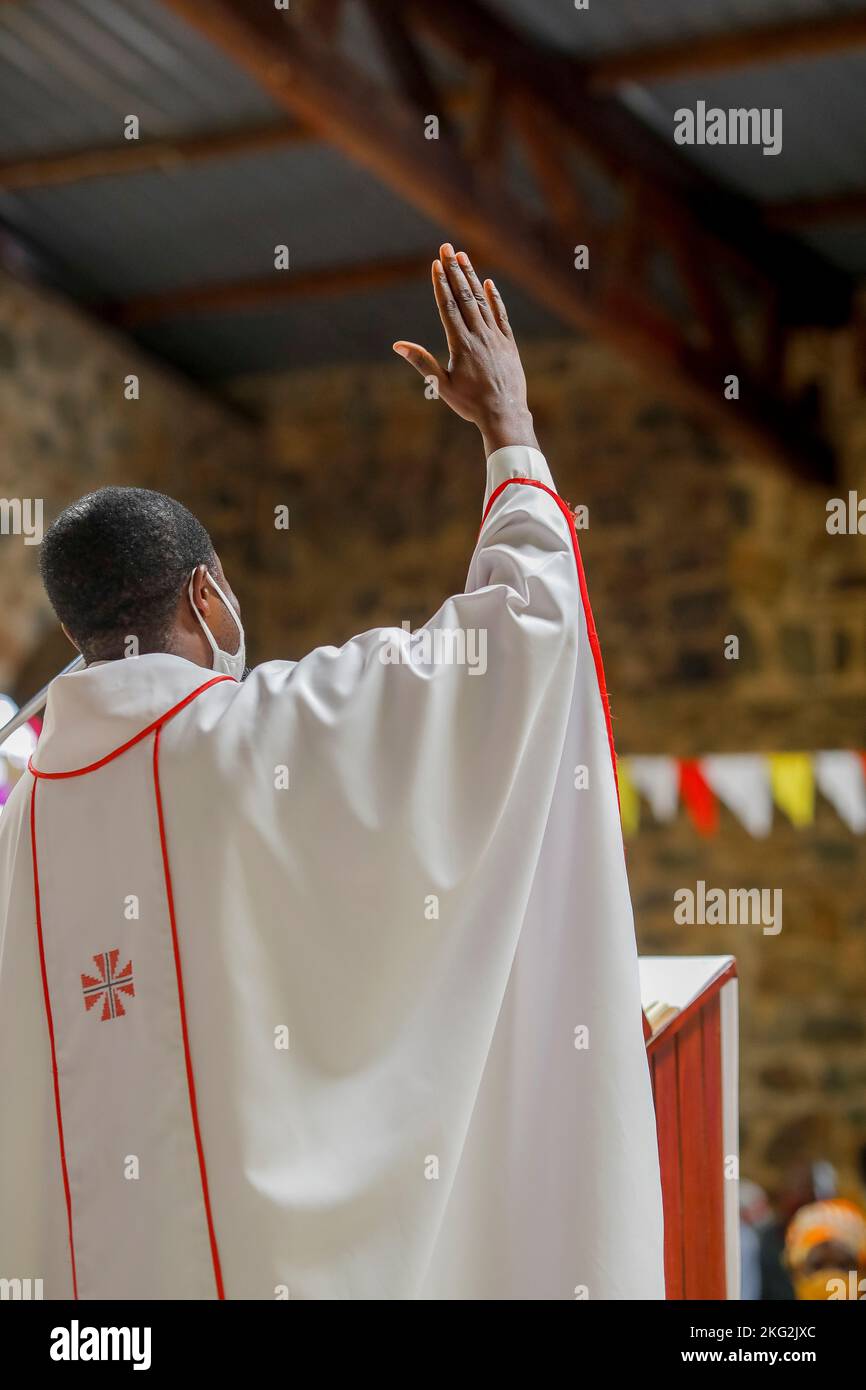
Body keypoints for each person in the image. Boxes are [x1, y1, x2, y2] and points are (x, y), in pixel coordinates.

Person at [0, 245, 663, 1300]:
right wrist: (509, 434)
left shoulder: (17, 821)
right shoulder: (271, 730)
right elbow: (519, 641)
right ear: (207, 600)